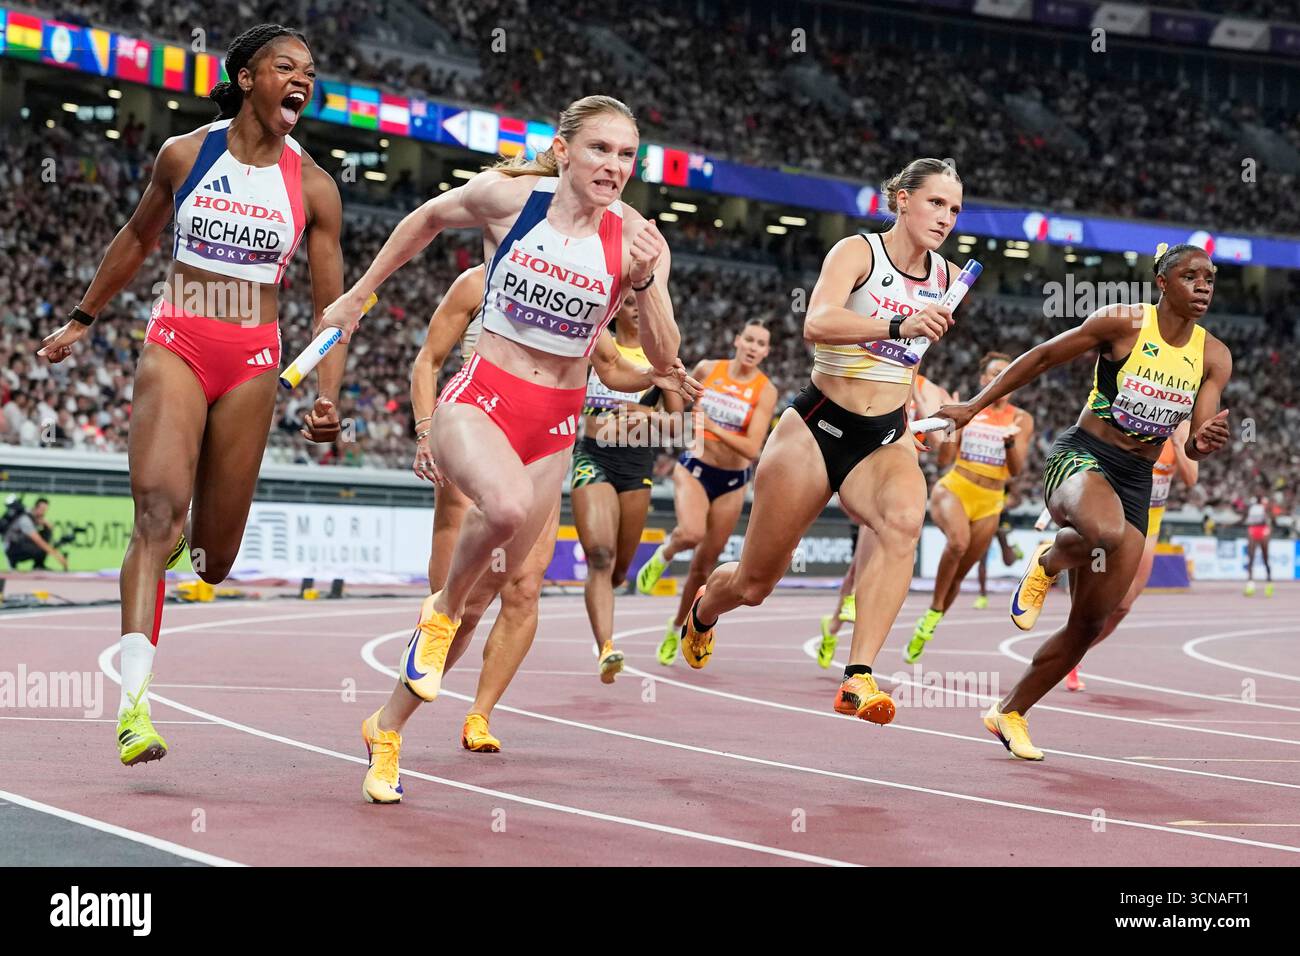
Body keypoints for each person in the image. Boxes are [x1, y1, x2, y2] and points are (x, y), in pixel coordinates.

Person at [327, 95, 687, 804]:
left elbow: (667, 360)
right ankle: (437, 612)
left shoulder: (638, 241)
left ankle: (387, 727)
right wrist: (358, 297)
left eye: (625, 156)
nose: (614, 167)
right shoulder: (509, 200)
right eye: (600, 150)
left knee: (494, 591)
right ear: (563, 149)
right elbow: (425, 220)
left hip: (553, 423)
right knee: (503, 507)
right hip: (481, 398)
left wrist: (645, 283)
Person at [38, 24, 347, 767]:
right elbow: (138, 238)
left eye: (310, 71)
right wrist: (84, 319)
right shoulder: (185, 154)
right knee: (153, 516)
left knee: (210, 560)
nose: (302, 80)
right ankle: (134, 709)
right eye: (285, 66)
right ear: (247, 77)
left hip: (252, 362)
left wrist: (328, 390)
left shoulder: (313, 186)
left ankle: (185, 540)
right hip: (177, 339)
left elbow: (331, 304)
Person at [677, 157, 964, 726]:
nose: (946, 217)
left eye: (955, 209)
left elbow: (908, 361)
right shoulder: (858, 253)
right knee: (756, 583)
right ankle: (705, 608)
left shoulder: (950, 277)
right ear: (902, 199)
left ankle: (858, 678)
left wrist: (921, 402)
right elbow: (818, 322)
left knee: (905, 522)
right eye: (936, 202)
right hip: (814, 427)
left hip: (882, 438)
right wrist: (896, 325)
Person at [935, 242, 1232, 759]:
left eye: (1210, 278)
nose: (1204, 286)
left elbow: (1191, 437)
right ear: (1163, 283)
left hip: (1138, 477)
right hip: (1084, 455)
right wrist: (973, 407)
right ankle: (1048, 559)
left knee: (1091, 621)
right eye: (1192, 276)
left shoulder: (1214, 355)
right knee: (1104, 532)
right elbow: (1045, 356)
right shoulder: (1122, 323)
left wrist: (1201, 440)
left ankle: (1009, 712)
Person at [400, 265, 696, 756]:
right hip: (475, 435)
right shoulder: (478, 282)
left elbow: (611, 367)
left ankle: (480, 714)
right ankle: (397, 720)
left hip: (541, 445)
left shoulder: (582, 292)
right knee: (457, 607)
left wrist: (653, 372)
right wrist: (427, 431)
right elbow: (428, 360)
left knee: (525, 590)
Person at [636, 321, 777, 665]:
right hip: (695, 467)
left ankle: (678, 628)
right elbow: (680, 400)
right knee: (691, 533)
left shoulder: (765, 390)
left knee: (703, 568)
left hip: (732, 480)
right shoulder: (708, 369)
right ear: (737, 340)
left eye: (761, 343)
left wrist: (712, 426)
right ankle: (665, 554)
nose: (753, 347)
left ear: (766, 352)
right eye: (749, 340)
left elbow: (752, 446)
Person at [572, 292, 689, 680]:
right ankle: (607, 647)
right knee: (600, 557)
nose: (638, 307)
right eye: (630, 301)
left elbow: (684, 426)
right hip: (592, 457)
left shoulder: (663, 361)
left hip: (637, 465)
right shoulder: (594, 348)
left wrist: (646, 413)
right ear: (616, 306)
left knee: (619, 570)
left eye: (645, 301)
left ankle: (610, 591)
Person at [906, 352, 1032, 662]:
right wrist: (950, 432)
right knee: (958, 542)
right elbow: (944, 460)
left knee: (960, 575)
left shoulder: (1021, 419)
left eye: (1007, 373)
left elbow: (1016, 471)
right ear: (984, 379)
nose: (1000, 378)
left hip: (991, 501)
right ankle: (935, 606)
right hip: (956, 488)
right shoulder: (968, 411)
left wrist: (1010, 444)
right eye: (994, 373)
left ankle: (929, 623)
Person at [1063, 417, 1197, 690]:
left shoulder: (1182, 430)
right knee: (1110, 599)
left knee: (1123, 607)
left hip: (1153, 522)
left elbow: (1191, 478)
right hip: (1122, 516)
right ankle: (1068, 650)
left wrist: (1178, 441)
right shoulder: (1136, 422)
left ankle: (1073, 655)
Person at [3, 498, 68, 571]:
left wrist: (46, 524)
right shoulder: (25, 520)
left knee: (47, 531)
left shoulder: (32, 515)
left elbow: (47, 530)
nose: (44, 512)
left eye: (45, 510)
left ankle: (39, 565)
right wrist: (57, 556)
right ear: (35, 508)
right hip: (12, 549)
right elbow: (38, 541)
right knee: (43, 546)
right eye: (42, 510)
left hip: (21, 544)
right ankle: (15, 563)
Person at [1243, 493, 1274, 597]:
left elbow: (1271, 519)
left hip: (1262, 529)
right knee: (1251, 557)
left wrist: (1267, 509)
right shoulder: (1251, 507)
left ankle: (1269, 583)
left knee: (1265, 558)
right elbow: (1245, 518)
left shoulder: (1265, 506)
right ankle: (1250, 585)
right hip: (1253, 529)